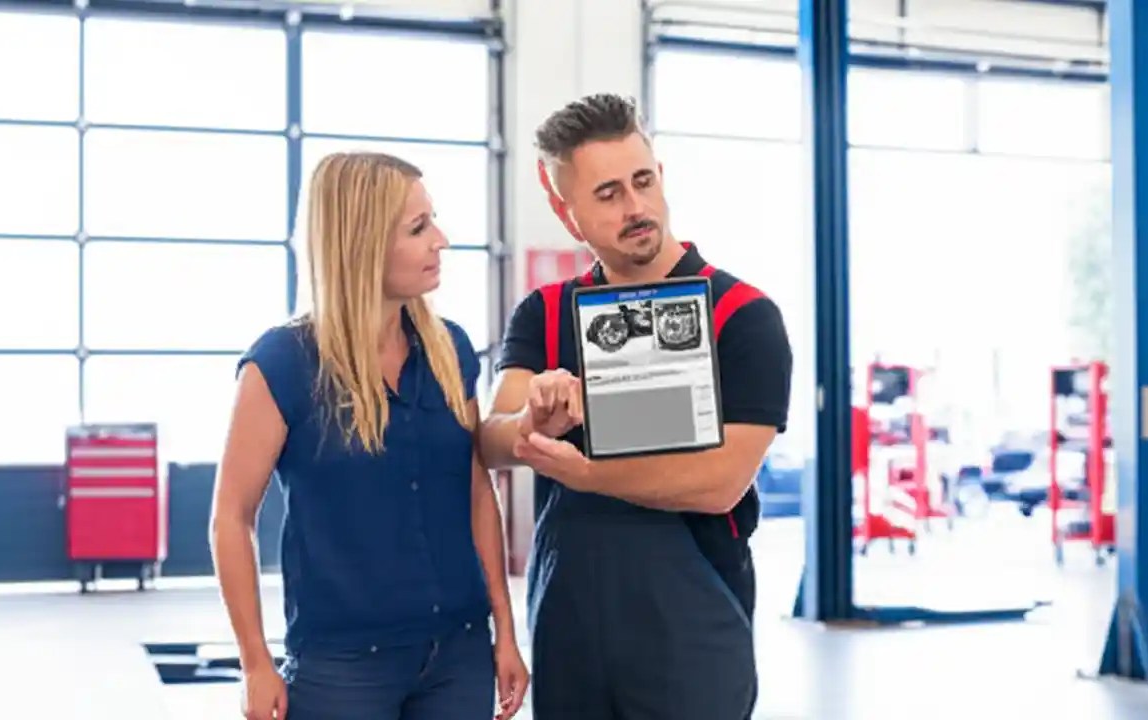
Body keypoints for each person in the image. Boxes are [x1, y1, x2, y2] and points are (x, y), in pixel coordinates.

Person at [479, 93, 792, 719]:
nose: (636, 207)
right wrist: (532, 425)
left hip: (693, 631)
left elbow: (717, 484)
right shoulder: (543, 316)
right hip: (569, 625)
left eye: (642, 181)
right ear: (567, 213)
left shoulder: (744, 318)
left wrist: (584, 473)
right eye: (607, 194)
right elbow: (489, 440)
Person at [210, 151, 528, 720]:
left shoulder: (449, 350)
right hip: (342, 668)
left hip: (458, 654)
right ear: (362, 244)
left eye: (433, 219)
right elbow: (231, 517)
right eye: (419, 227)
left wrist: (505, 630)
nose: (442, 240)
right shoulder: (282, 363)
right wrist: (255, 662)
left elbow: (478, 492)